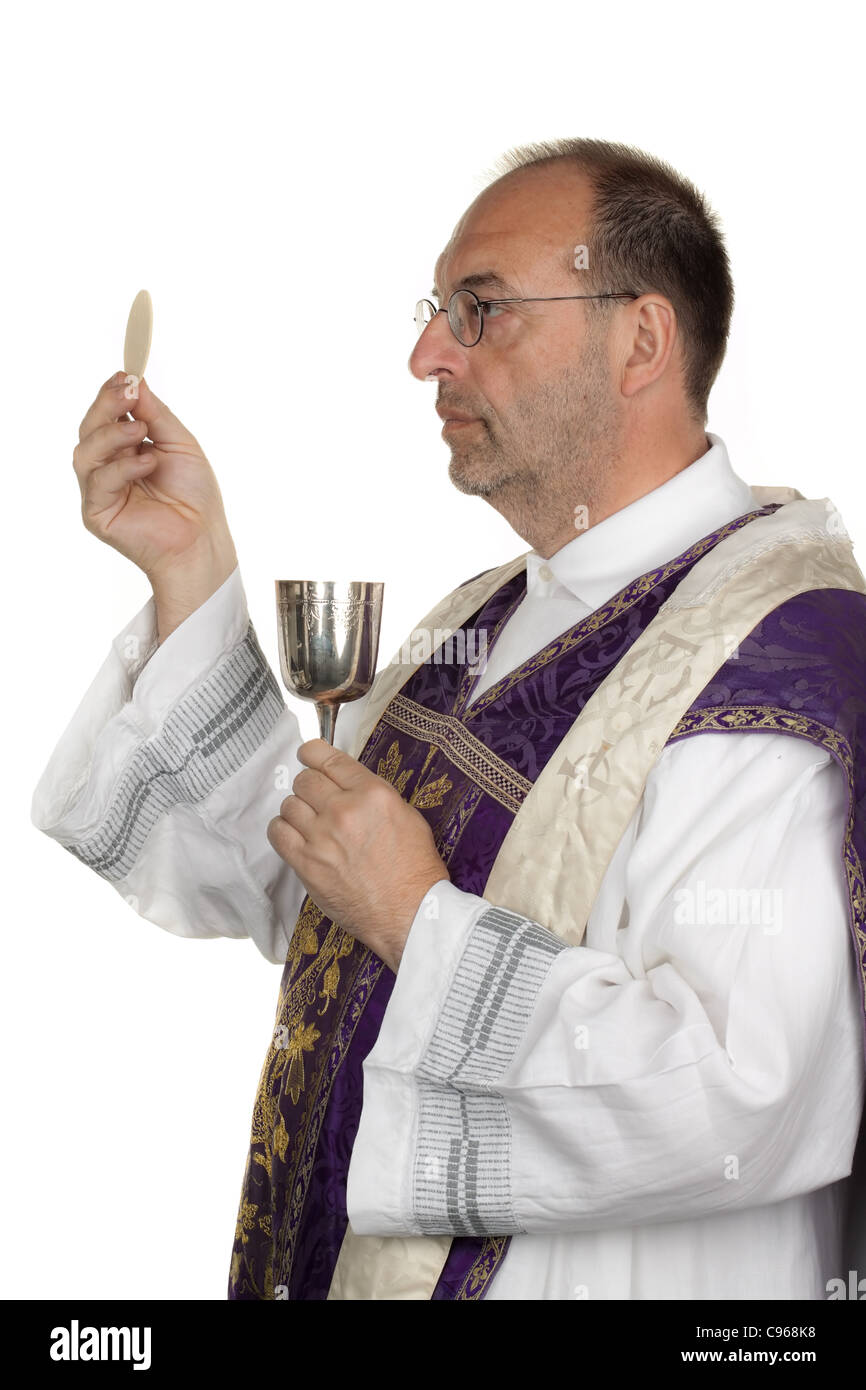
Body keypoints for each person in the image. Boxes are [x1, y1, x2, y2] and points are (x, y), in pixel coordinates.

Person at [31, 138, 866, 1301]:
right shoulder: (485, 614)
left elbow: (742, 1089)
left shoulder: (774, 660)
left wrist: (417, 917)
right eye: (436, 311)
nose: (427, 354)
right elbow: (318, 888)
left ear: (639, 339)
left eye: (480, 310)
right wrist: (188, 567)